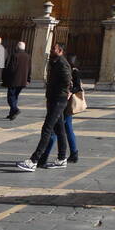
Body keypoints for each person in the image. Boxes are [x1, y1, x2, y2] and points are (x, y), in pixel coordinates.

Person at [16, 43, 72, 171]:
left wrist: (63, 92)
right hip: (54, 99)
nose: (51, 50)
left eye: (54, 49)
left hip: (58, 100)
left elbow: (67, 80)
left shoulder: (62, 64)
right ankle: (62, 158)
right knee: (60, 129)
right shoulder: (55, 62)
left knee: (47, 128)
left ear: (61, 51)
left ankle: (34, 161)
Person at [45, 54, 82, 165]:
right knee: (66, 128)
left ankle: (45, 155)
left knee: (55, 131)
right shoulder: (63, 69)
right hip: (63, 103)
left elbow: (77, 87)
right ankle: (74, 153)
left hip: (64, 104)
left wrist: (70, 92)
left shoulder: (73, 71)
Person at [4, 41, 31, 120]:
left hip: (14, 80)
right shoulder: (28, 56)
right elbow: (29, 69)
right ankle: (12, 113)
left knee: (10, 97)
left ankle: (15, 109)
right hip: (23, 81)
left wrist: (6, 77)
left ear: (17, 47)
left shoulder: (14, 55)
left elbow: (11, 68)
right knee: (15, 96)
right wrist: (28, 79)